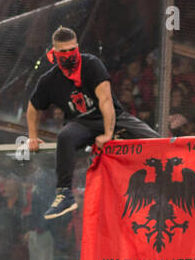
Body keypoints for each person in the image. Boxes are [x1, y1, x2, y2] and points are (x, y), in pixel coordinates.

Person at [27, 25, 160, 219]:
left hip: (113, 117)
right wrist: (32, 137)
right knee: (65, 136)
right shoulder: (49, 80)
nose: (68, 54)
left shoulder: (91, 64)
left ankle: (168, 177)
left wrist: (108, 133)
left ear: (78, 47)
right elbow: (32, 108)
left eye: (72, 49)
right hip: (82, 123)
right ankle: (64, 194)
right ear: (54, 53)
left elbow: (105, 100)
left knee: (155, 140)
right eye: (63, 51)